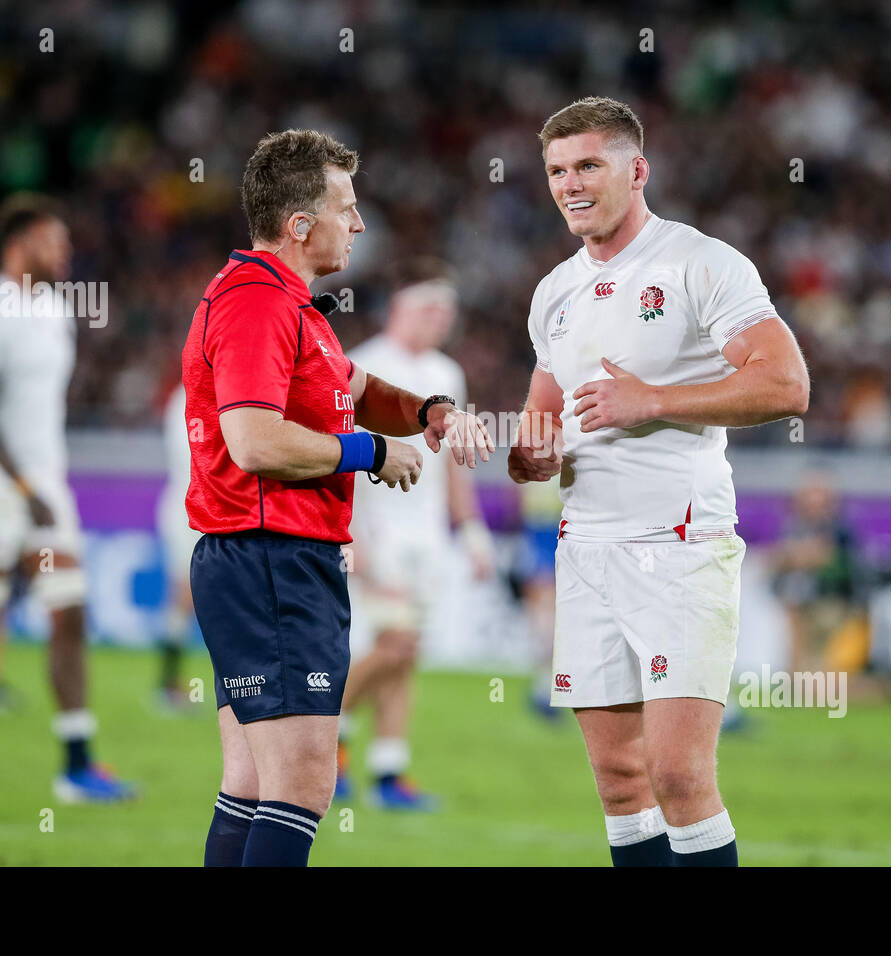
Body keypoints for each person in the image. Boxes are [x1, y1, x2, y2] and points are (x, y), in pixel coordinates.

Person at [508, 97, 809, 866]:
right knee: (618, 779)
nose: (570, 184)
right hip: (586, 550)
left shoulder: (700, 263)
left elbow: (785, 384)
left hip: (679, 545)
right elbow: (541, 423)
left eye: (588, 165)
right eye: (556, 171)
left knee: (678, 774)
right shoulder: (554, 293)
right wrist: (529, 454)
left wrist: (656, 400)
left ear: (636, 170)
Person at [185, 130, 493, 867]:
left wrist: (430, 413)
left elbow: (361, 390)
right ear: (300, 225)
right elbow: (255, 442)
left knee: (255, 782)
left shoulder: (295, 309)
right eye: (347, 209)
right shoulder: (258, 304)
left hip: (263, 560)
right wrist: (372, 452)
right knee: (301, 784)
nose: (358, 224)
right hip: (272, 560)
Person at [0, 193, 133, 803]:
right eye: (54, 240)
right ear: (20, 244)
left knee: (70, 613)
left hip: (43, 486)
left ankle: (78, 764)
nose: (65, 251)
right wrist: (23, 486)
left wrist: (40, 485)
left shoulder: (57, 310)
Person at [339, 259, 495, 809]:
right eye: (428, 308)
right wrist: (351, 538)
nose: (439, 320)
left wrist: (471, 530)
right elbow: (339, 457)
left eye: (445, 311)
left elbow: (454, 462)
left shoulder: (448, 374)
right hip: (376, 531)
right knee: (393, 643)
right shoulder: (362, 367)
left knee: (406, 652)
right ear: (399, 308)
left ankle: (388, 771)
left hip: (426, 534)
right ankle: (329, 737)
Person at [154, 382, 199, 710]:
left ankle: (170, 684)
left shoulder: (179, 397)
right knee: (185, 595)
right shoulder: (191, 398)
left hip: (188, 505)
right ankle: (168, 686)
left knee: (185, 597)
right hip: (191, 507)